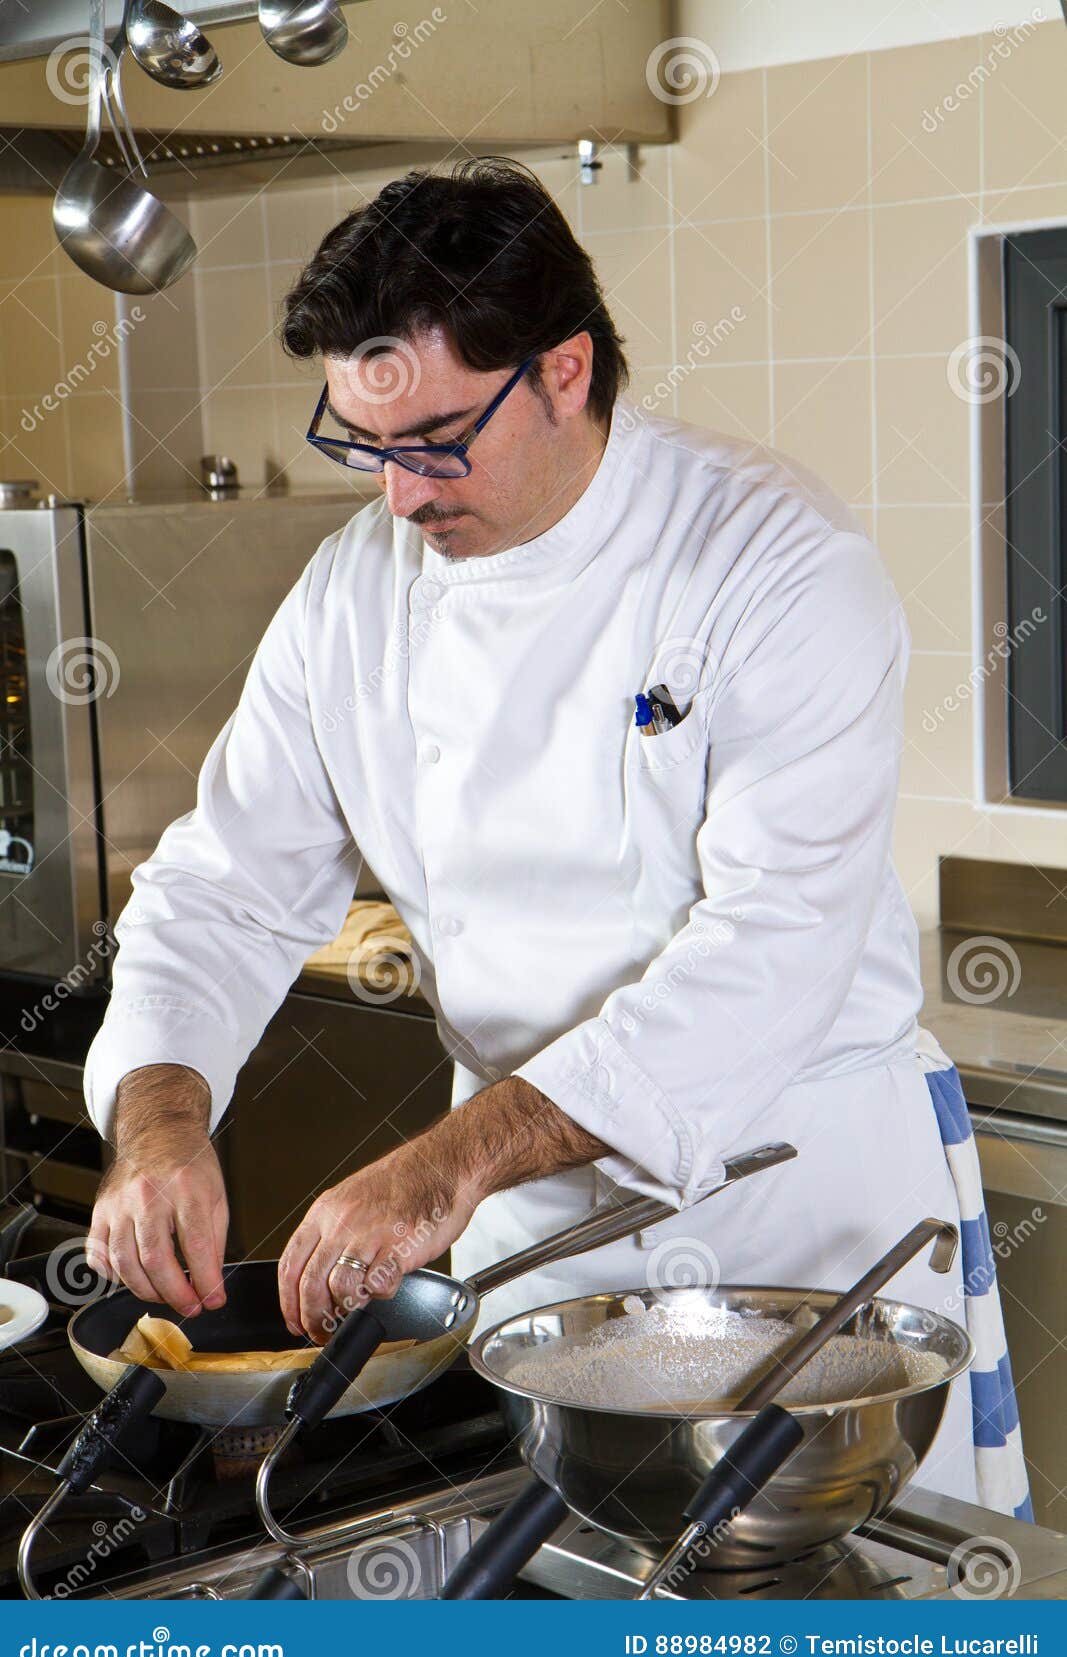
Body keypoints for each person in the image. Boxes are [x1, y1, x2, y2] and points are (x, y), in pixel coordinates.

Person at [84, 159, 1026, 1514]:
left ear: (566, 372)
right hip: (524, 1257)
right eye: (362, 443)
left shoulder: (773, 561)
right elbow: (225, 887)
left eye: (437, 442)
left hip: (792, 1230)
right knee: (567, 1589)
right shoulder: (356, 592)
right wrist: (161, 1114)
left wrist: (444, 1163)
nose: (398, 500)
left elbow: (768, 957)